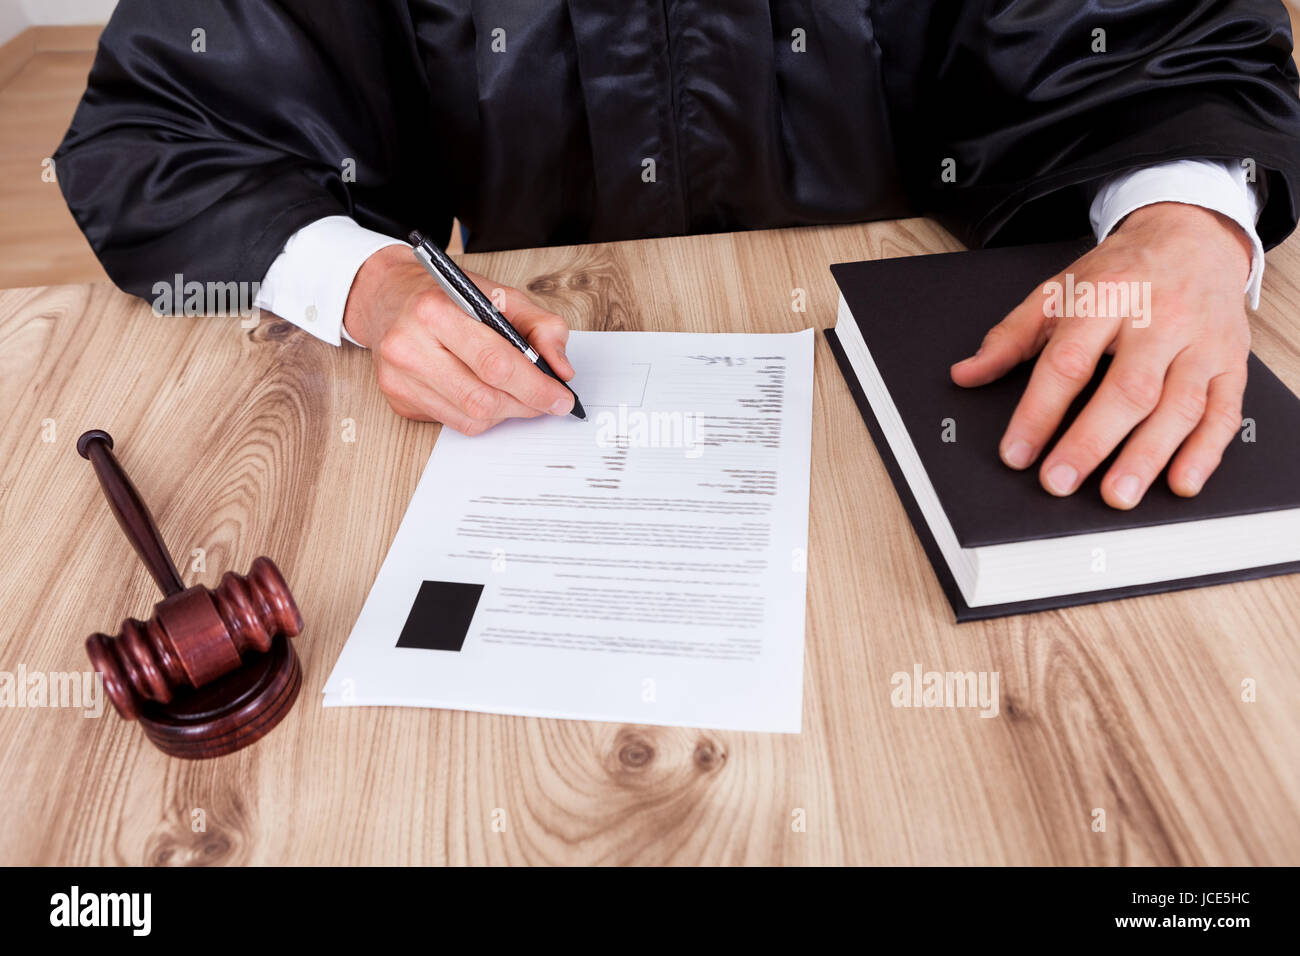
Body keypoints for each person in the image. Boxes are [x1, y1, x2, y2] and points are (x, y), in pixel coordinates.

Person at [54, 1, 1300, 510]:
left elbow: (1150, 38)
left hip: (921, 390)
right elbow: (165, 130)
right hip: (521, 410)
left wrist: (1184, 220)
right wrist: (375, 283)